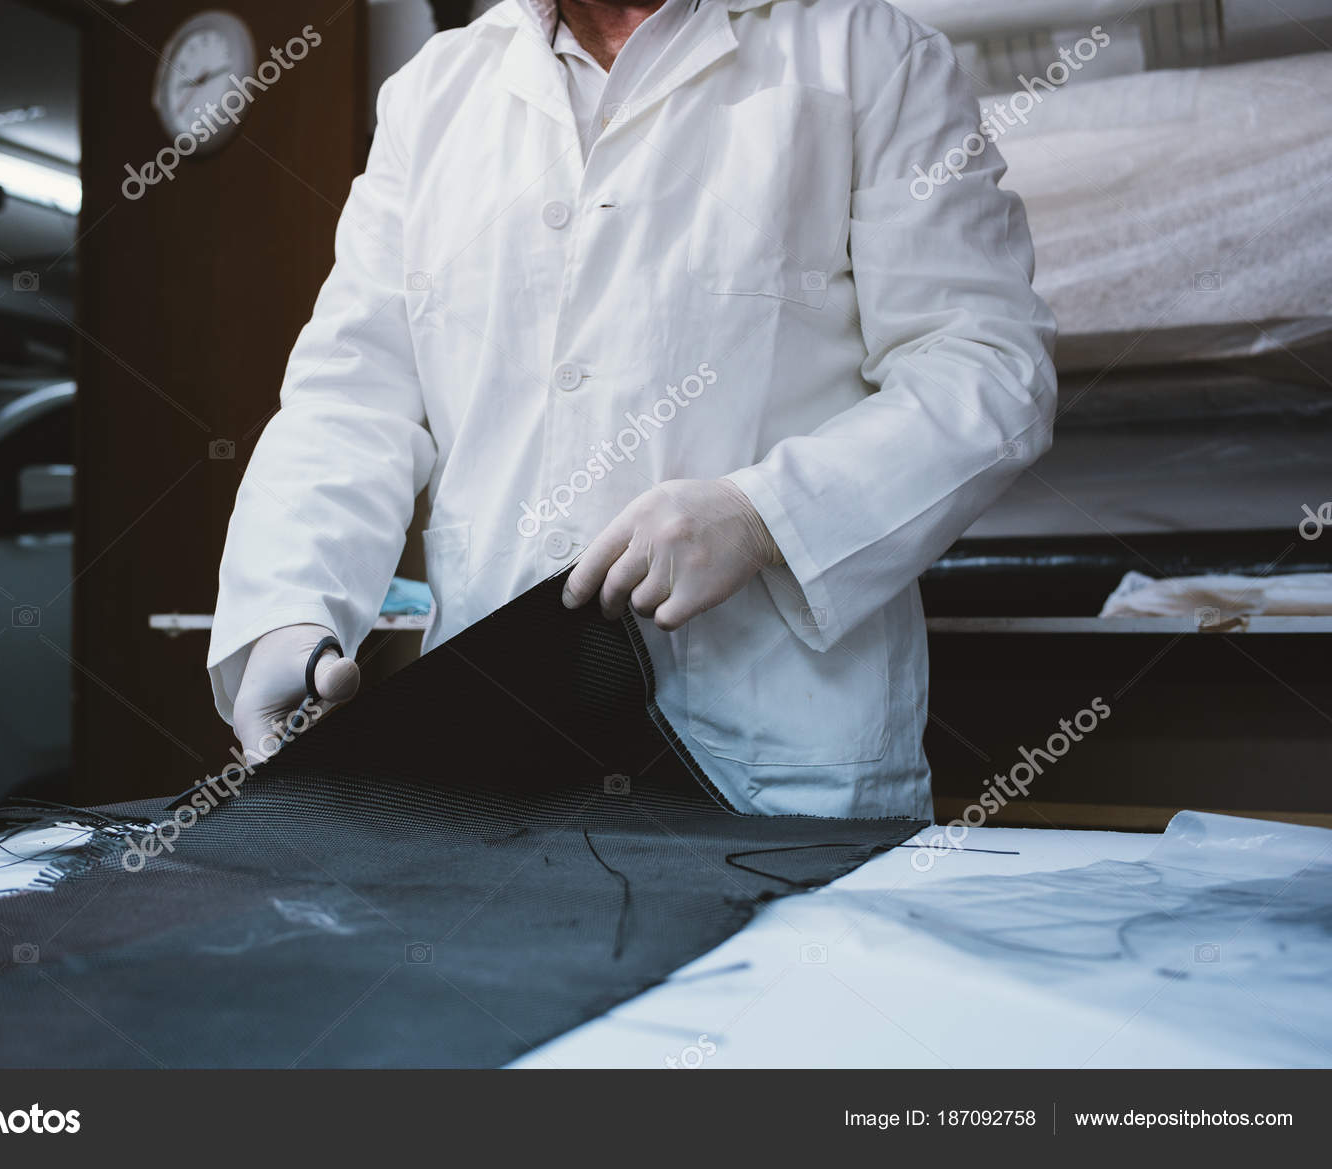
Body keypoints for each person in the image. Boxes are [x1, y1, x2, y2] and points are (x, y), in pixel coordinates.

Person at [208, 0, 1056, 818]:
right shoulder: (434, 94)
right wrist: (289, 607)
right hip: (494, 755)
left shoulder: (870, 56)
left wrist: (766, 515)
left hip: (776, 769)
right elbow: (349, 397)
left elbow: (985, 368)